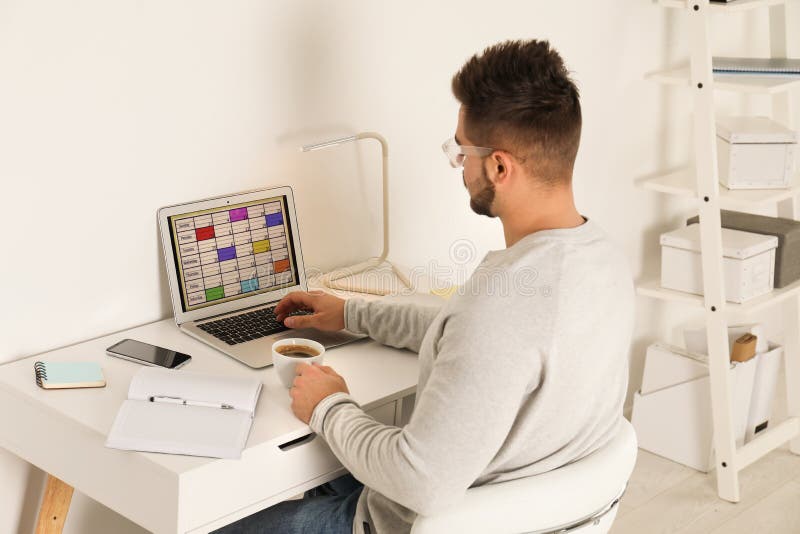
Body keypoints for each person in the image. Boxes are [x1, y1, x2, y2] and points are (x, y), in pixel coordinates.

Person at [213, 38, 634, 534]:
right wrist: (350, 313)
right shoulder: (604, 262)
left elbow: (419, 481)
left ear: (499, 167)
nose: (459, 165)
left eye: (462, 151)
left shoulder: (498, 313)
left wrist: (328, 405)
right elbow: (470, 334)